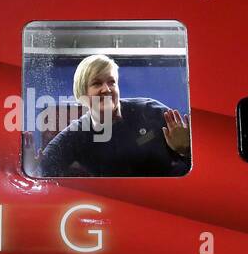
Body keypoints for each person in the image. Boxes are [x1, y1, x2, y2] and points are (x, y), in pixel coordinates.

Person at [38, 53, 190, 176]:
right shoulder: (77, 134)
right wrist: (33, 166)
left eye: (111, 82)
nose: (107, 89)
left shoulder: (151, 111)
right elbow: (43, 169)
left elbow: (199, 159)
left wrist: (186, 149)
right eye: (97, 83)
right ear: (82, 94)